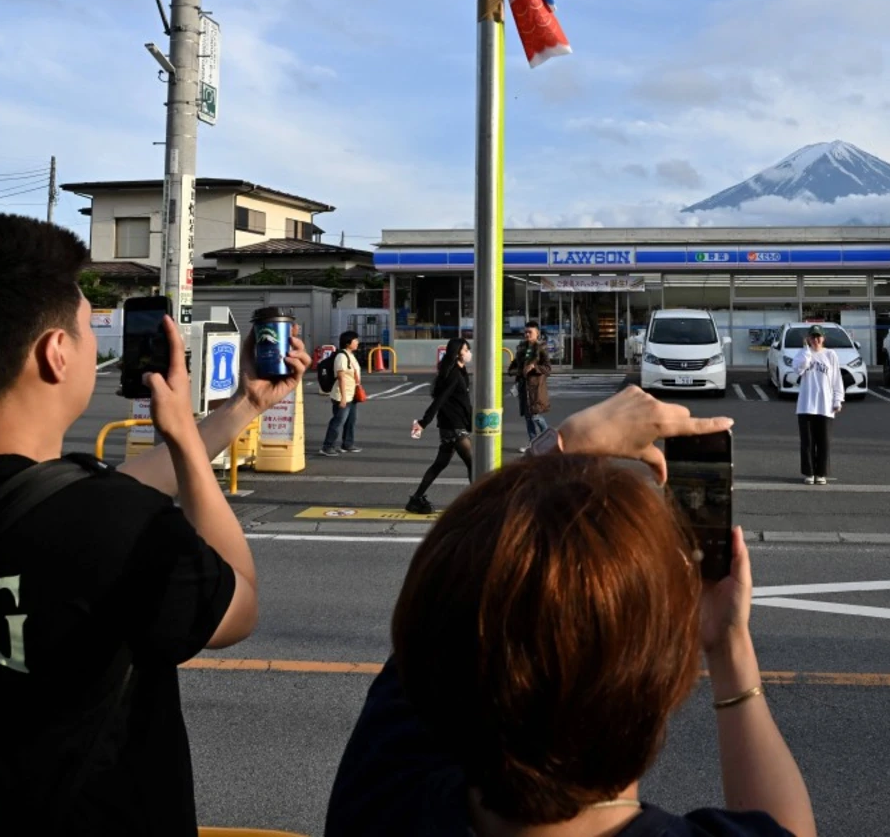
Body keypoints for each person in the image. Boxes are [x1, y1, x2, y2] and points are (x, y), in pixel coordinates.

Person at [0, 214, 309, 835]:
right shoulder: (116, 525)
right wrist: (183, 436)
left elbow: (79, 504)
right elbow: (237, 609)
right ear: (55, 355)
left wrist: (241, 408)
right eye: (84, 330)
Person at [326, 387, 816, 837]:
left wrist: (564, 444)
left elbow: (464, 595)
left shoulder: (381, 806)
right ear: (663, 689)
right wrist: (729, 647)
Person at [407, 337, 473, 514]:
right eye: (466, 350)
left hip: (455, 424)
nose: (468, 353)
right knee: (473, 463)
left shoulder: (460, 370)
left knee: (440, 463)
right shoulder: (453, 374)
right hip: (453, 425)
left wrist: (472, 420)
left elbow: (463, 401)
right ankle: (479, 502)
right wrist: (423, 422)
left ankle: (416, 498)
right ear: (458, 352)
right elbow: (440, 400)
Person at [793, 325, 843, 485]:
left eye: (818, 336)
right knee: (807, 441)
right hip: (806, 405)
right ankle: (809, 473)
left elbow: (836, 379)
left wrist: (837, 400)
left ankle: (821, 473)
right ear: (808, 338)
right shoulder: (802, 354)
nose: (816, 340)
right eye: (813, 337)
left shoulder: (830, 355)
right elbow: (799, 370)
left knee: (824, 441)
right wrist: (807, 351)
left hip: (825, 405)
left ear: (823, 338)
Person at [321, 330, 363, 456]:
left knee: (351, 421)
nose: (357, 342)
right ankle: (327, 446)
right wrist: (344, 397)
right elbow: (341, 377)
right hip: (342, 395)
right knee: (338, 421)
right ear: (348, 342)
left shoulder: (350, 355)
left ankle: (347, 444)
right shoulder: (341, 356)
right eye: (355, 340)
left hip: (352, 394)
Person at [510, 320, 552, 442]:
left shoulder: (541, 348)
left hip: (536, 388)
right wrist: (518, 371)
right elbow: (513, 367)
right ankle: (533, 442)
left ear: (537, 333)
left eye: (530, 332)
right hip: (524, 387)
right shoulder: (521, 348)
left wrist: (534, 367)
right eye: (525, 332)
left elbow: (548, 368)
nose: (527, 335)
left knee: (536, 416)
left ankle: (550, 439)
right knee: (528, 417)